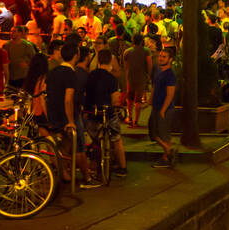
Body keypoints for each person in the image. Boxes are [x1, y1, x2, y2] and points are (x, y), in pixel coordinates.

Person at [44, 41, 97, 188]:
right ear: (76, 56)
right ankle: (87, 178)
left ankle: (64, 171)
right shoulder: (70, 74)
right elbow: (68, 99)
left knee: (64, 146)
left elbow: (46, 93)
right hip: (68, 115)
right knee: (79, 146)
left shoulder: (53, 71)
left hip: (54, 114)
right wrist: (71, 120)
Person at [86, 49, 128, 178]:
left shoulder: (91, 76)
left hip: (93, 112)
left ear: (98, 60)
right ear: (110, 61)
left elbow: (87, 94)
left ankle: (95, 166)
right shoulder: (111, 78)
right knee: (116, 139)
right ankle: (123, 167)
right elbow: (115, 99)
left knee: (95, 139)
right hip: (108, 112)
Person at [149, 48, 177, 168]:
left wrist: (163, 110)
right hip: (156, 107)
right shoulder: (158, 71)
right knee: (154, 132)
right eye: (160, 56)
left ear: (170, 59)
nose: (160, 58)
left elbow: (170, 94)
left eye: (164, 57)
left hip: (165, 109)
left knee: (163, 134)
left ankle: (166, 157)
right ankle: (168, 151)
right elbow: (155, 88)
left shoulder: (170, 75)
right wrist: (148, 102)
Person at [123, 34, 150, 127]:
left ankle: (130, 117)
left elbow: (125, 67)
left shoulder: (127, 52)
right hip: (142, 77)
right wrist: (149, 75)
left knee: (130, 98)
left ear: (132, 41)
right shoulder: (146, 51)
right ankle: (136, 120)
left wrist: (126, 77)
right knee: (138, 100)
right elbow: (149, 64)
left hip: (130, 77)